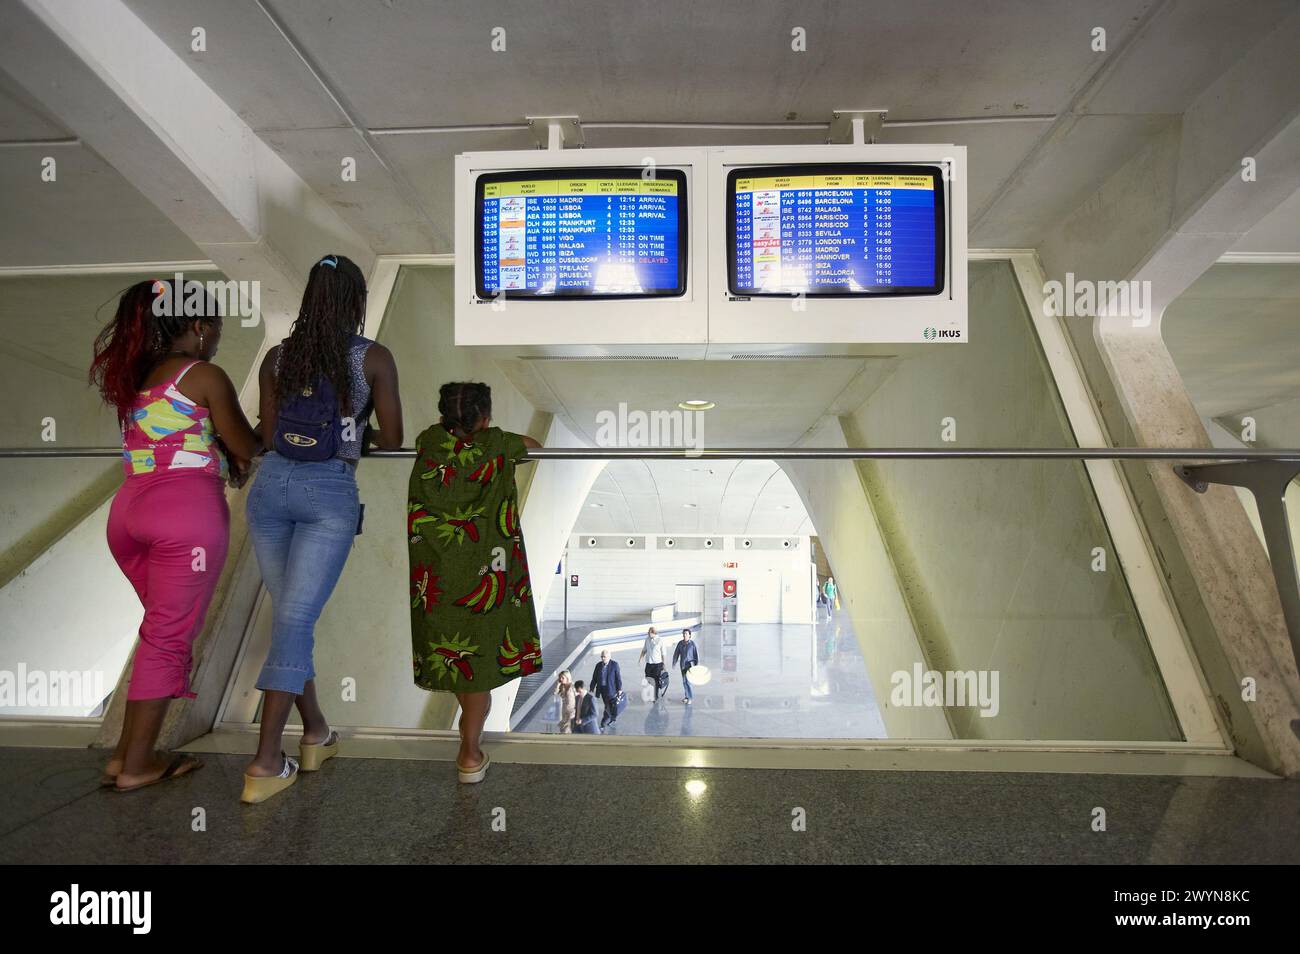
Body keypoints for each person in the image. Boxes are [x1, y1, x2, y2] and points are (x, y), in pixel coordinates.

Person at [241, 254, 404, 804]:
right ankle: (264, 762)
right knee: (294, 619)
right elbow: (395, 435)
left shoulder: (278, 356)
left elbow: (265, 431)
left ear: (310, 296)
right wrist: (355, 431)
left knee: (292, 617)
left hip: (268, 490)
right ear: (356, 301)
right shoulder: (372, 358)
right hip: (328, 492)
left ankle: (315, 733)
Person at [90, 278, 262, 792]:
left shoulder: (137, 377)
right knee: (167, 638)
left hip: (129, 512)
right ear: (197, 326)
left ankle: (126, 756)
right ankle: (139, 765)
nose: (215, 342)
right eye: (215, 331)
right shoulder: (202, 373)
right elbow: (247, 445)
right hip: (185, 514)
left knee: (158, 633)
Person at [408, 381, 542, 783]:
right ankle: (469, 752)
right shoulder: (499, 444)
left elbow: (436, 442)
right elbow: (534, 445)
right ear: (485, 417)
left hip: (436, 574)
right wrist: (491, 435)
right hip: (488, 572)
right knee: (478, 662)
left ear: (442, 417)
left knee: (455, 654)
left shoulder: (428, 442)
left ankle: (469, 744)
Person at [591, 648, 622, 728]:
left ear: (609, 657)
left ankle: (604, 722)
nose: (602, 658)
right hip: (602, 690)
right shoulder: (598, 665)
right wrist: (592, 688)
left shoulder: (614, 665)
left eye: (604, 657)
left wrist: (619, 689)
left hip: (611, 689)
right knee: (608, 705)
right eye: (601, 656)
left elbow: (618, 678)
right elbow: (594, 678)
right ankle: (612, 717)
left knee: (609, 706)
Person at [639, 625, 668, 703]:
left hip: (657, 664)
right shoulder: (647, 639)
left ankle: (655, 696)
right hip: (649, 663)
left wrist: (664, 664)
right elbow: (644, 650)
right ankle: (653, 691)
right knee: (648, 678)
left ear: (653, 633)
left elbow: (663, 653)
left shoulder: (660, 640)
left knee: (656, 680)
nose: (648, 634)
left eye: (649, 633)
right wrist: (640, 658)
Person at [672, 627, 699, 705]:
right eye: (683, 634)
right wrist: (674, 663)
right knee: (684, 682)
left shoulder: (692, 644)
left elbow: (695, 655)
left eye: (686, 634)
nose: (684, 635)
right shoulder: (680, 643)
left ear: (689, 635)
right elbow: (676, 654)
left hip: (690, 666)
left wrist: (696, 666)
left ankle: (690, 698)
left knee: (688, 682)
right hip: (683, 665)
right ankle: (686, 696)